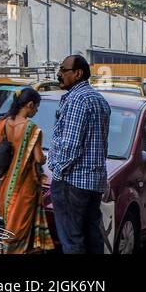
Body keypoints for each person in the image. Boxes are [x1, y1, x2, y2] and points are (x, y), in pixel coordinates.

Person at [48, 54, 111, 254]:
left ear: (78, 74)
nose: (59, 75)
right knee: (93, 237)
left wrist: (57, 172)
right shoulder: (99, 100)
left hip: (73, 181)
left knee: (72, 240)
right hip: (94, 182)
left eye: (63, 70)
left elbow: (71, 146)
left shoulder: (77, 99)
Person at [0, 86, 52, 253]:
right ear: (30, 105)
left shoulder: (3, 124)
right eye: (37, 107)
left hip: (6, 187)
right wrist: (46, 158)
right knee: (18, 232)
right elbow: (39, 158)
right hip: (24, 188)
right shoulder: (32, 129)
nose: (36, 111)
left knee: (10, 225)